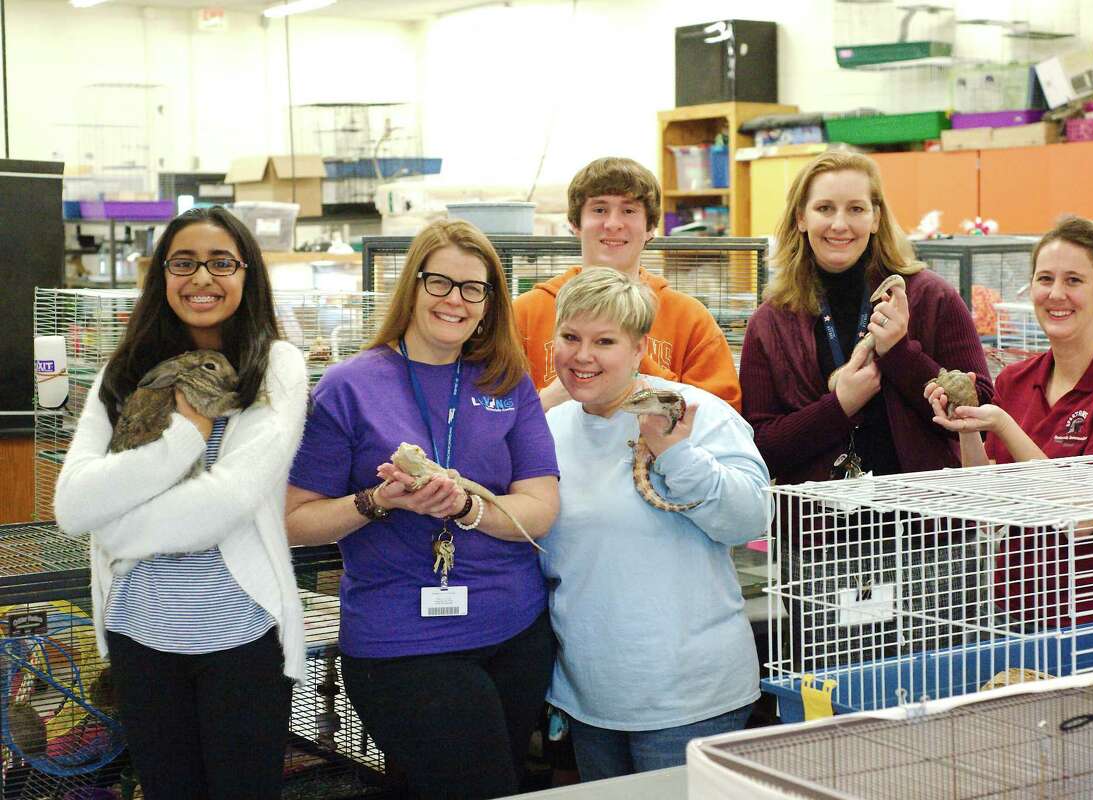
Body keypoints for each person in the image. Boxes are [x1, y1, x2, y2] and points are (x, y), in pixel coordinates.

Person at [285, 219, 560, 799]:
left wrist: (468, 509)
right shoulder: (347, 387)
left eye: (473, 288)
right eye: (440, 282)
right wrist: (377, 501)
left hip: (515, 632)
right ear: (412, 286)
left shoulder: (507, 382)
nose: (454, 300)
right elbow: (297, 521)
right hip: (403, 641)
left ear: (489, 304)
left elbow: (540, 509)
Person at [54, 207, 308, 799]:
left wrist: (114, 529)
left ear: (246, 274)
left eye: (221, 263)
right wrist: (187, 436)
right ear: (163, 275)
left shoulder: (276, 367)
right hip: (138, 634)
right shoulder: (123, 373)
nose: (202, 278)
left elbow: (226, 501)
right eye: (184, 263)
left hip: (243, 637)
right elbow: (72, 506)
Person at [739, 150, 995, 668]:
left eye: (856, 208)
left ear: (877, 217)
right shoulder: (772, 320)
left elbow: (979, 409)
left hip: (931, 543)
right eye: (825, 209)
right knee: (839, 690)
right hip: (821, 550)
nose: (841, 224)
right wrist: (840, 407)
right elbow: (761, 448)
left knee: (939, 683)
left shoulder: (930, 297)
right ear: (800, 218)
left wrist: (900, 351)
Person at [539, 267, 770, 780]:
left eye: (605, 341)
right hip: (590, 695)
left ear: (640, 347)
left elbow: (750, 518)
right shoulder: (548, 429)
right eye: (570, 337)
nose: (582, 355)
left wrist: (675, 453)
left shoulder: (695, 413)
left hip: (690, 696)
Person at [927, 215, 1093, 629]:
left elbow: (1082, 519)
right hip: (1014, 607)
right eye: (1045, 279)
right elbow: (986, 502)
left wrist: (1003, 425)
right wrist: (967, 426)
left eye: (1074, 280)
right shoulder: (1015, 380)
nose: (1056, 294)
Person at [514, 156, 741, 412]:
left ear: (650, 227)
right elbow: (488, 413)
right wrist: (543, 404)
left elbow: (724, 417)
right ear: (576, 224)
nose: (613, 224)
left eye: (629, 211)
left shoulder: (690, 319)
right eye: (599, 210)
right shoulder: (525, 314)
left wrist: (635, 368)